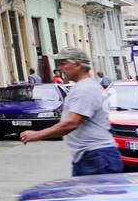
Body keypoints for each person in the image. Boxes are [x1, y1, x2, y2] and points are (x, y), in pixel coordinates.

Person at [20, 48, 122, 176]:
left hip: (96, 156)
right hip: (92, 156)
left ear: (78, 65)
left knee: (92, 195)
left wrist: (37, 135)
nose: (60, 68)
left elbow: (72, 123)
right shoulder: (86, 86)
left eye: (64, 63)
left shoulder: (85, 89)